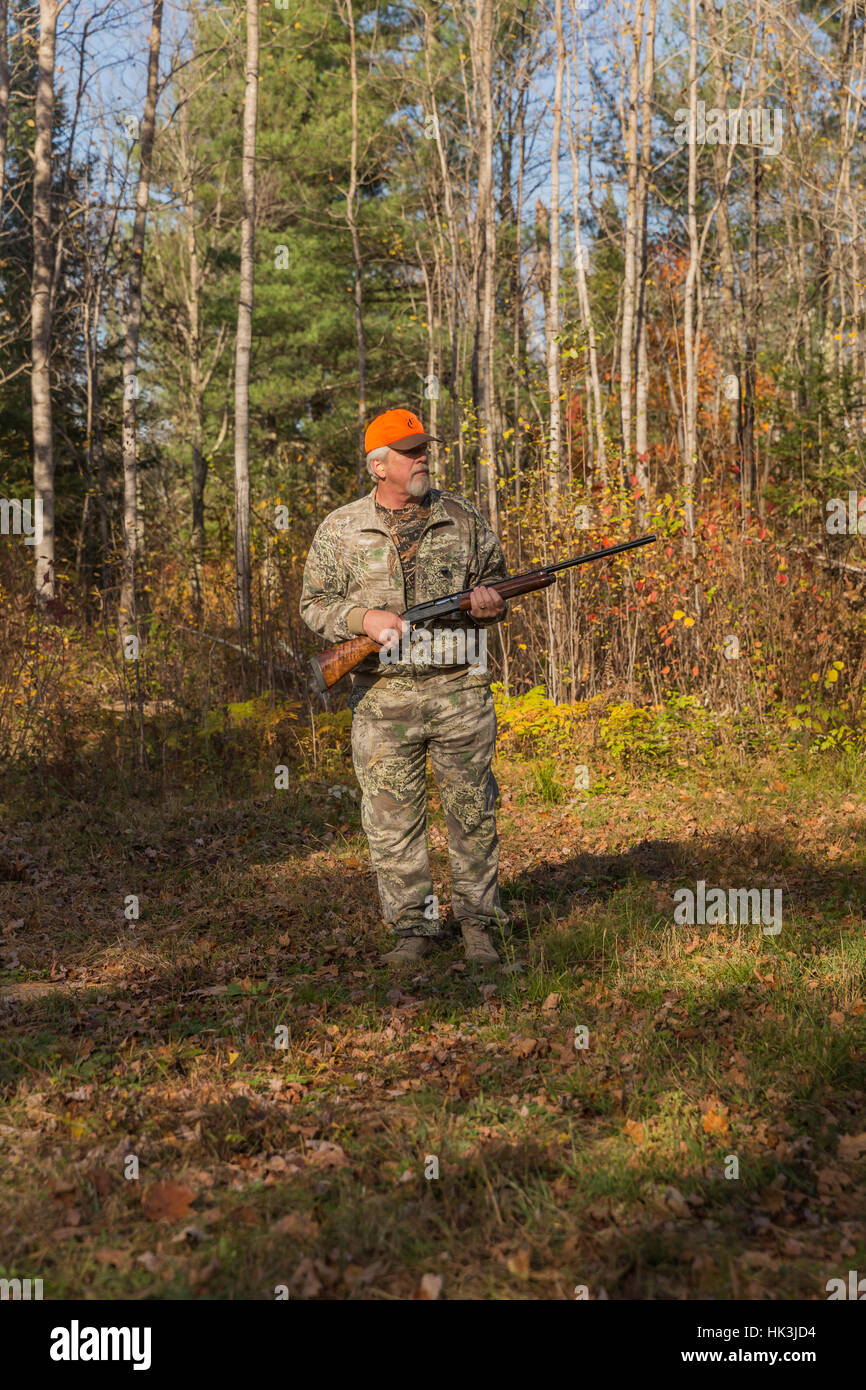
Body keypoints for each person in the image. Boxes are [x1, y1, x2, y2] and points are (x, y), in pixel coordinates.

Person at [300, 408, 510, 969]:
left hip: (459, 690)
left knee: (473, 813)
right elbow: (313, 605)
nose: (423, 459)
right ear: (378, 465)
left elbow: (496, 584)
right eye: (410, 451)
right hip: (381, 696)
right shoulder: (341, 528)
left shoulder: (461, 517)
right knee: (391, 821)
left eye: (424, 449)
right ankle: (414, 929)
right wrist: (363, 619)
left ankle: (479, 927)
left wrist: (491, 605)